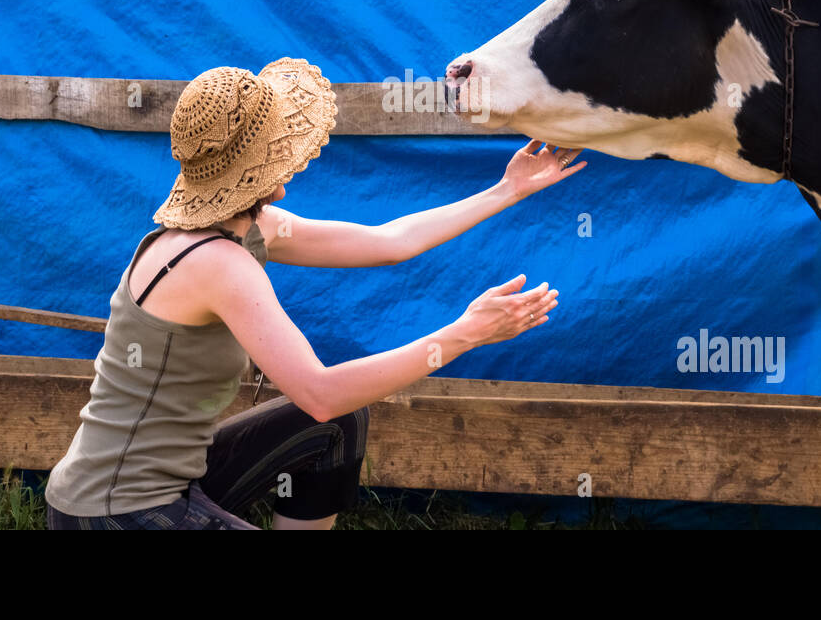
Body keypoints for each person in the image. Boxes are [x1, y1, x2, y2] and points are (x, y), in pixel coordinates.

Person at [44, 57, 587, 530]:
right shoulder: (216, 262)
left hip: (174, 483)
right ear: (271, 168)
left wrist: (507, 189)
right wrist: (464, 335)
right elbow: (320, 390)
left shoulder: (250, 227)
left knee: (336, 427)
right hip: (110, 513)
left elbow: (389, 242)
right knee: (332, 407)